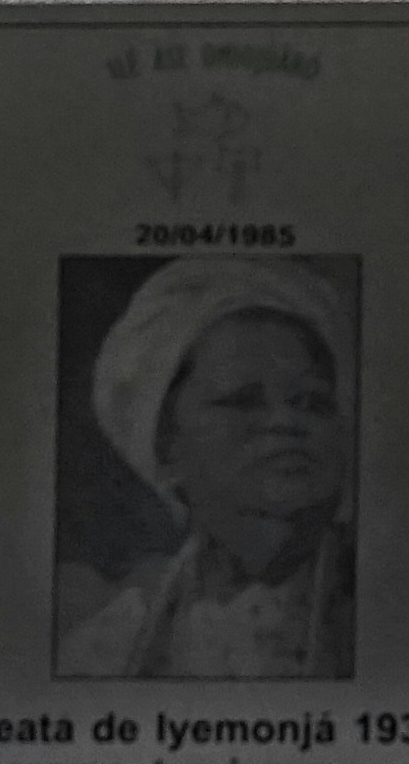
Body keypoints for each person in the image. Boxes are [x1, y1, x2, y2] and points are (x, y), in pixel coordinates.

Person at [55, 255, 356, 682]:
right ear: (166, 445)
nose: (287, 422)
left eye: (313, 401)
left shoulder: (387, 612)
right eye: (243, 400)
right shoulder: (109, 649)